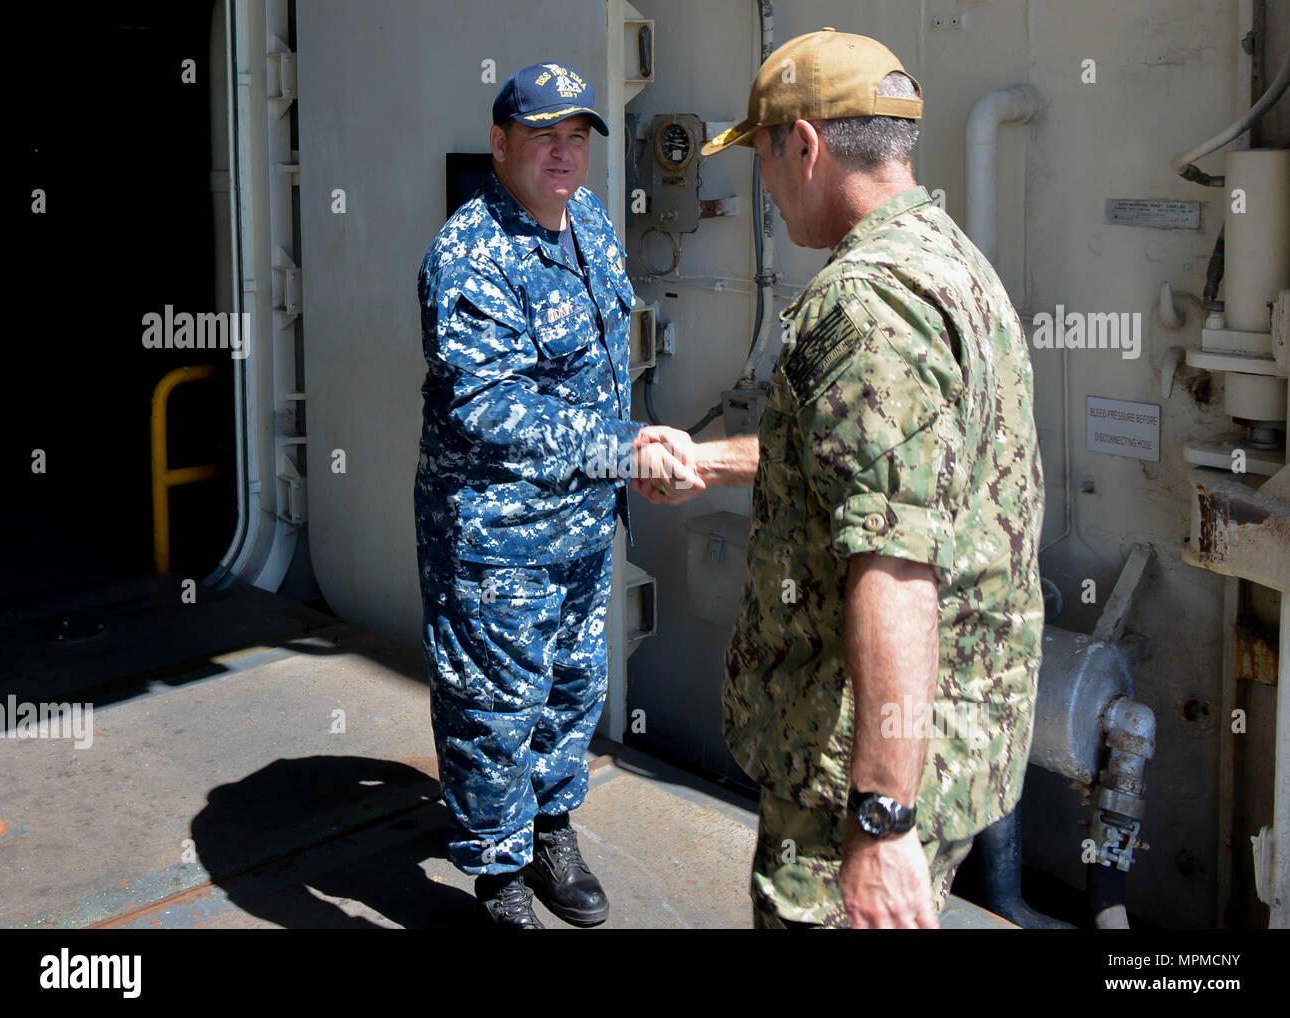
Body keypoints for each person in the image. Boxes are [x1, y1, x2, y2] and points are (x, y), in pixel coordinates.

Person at [634, 29, 1045, 928]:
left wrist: (881, 821)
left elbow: (895, 570)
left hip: (852, 782)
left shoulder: (864, 307)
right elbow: (881, 471)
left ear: (807, 146)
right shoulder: (947, 264)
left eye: (763, 158)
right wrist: (709, 460)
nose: (766, 190)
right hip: (943, 744)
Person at [415, 61, 697, 928]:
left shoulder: (594, 226)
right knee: (494, 708)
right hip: (497, 535)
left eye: (576, 136)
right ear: (501, 146)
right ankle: (498, 877)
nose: (564, 153)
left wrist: (620, 462)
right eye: (544, 136)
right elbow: (488, 405)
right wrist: (627, 450)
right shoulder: (469, 253)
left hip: (579, 526)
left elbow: (607, 369)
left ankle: (549, 830)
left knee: (572, 687)